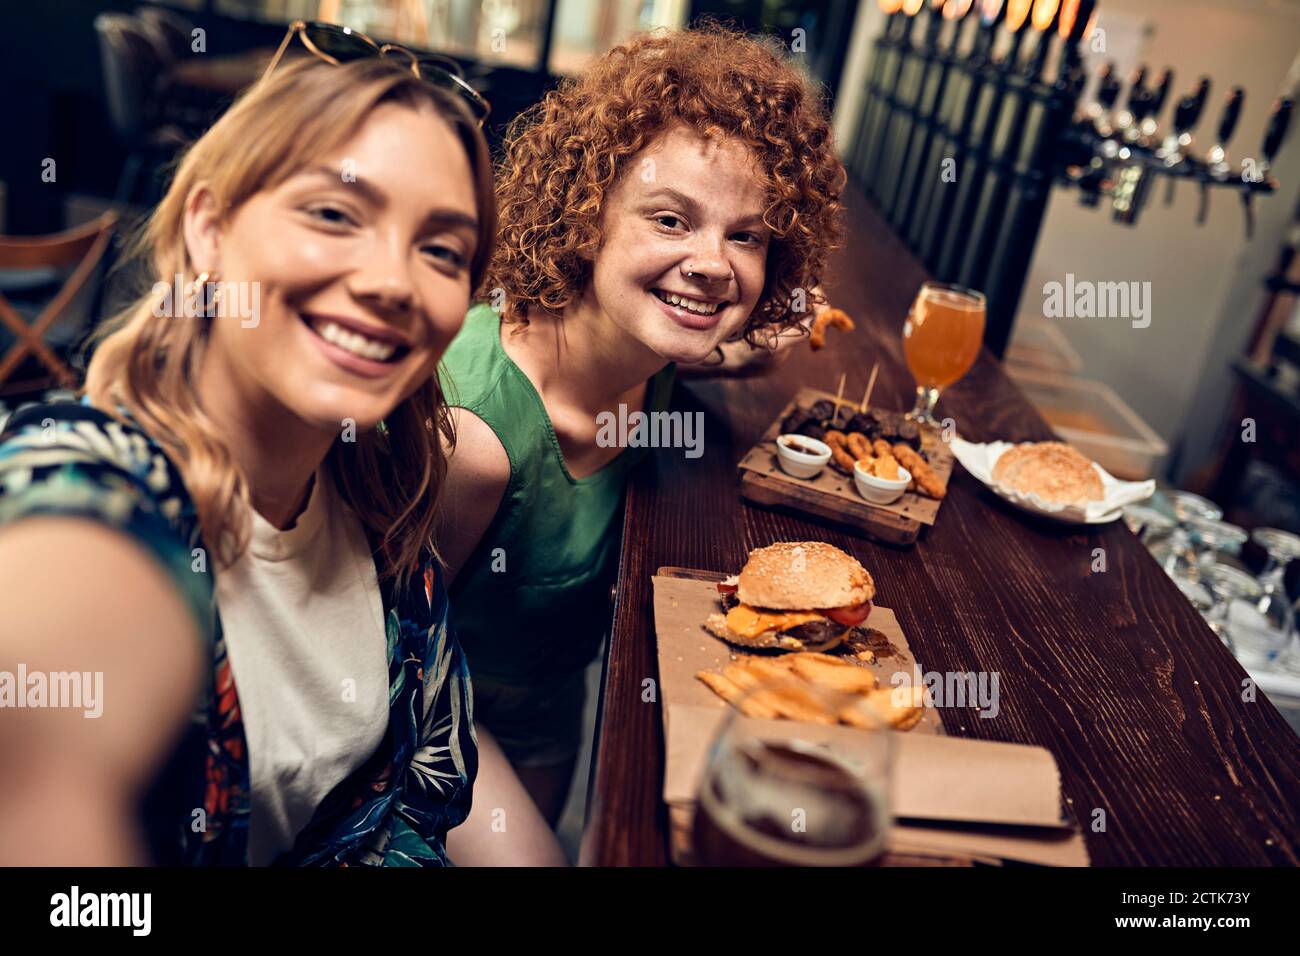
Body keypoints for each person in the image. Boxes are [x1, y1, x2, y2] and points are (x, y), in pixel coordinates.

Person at [0, 45, 496, 866]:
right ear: (208, 229)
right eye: (335, 215)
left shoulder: (385, 493)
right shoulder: (91, 481)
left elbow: (418, 786)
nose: (394, 282)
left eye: (442, 250)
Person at [438, 24, 846, 865]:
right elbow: (384, 648)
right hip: (437, 707)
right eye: (671, 219)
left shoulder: (657, 347)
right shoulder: (475, 440)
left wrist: (773, 327)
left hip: (555, 708)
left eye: (748, 236)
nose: (713, 264)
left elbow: (739, 340)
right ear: (585, 215)